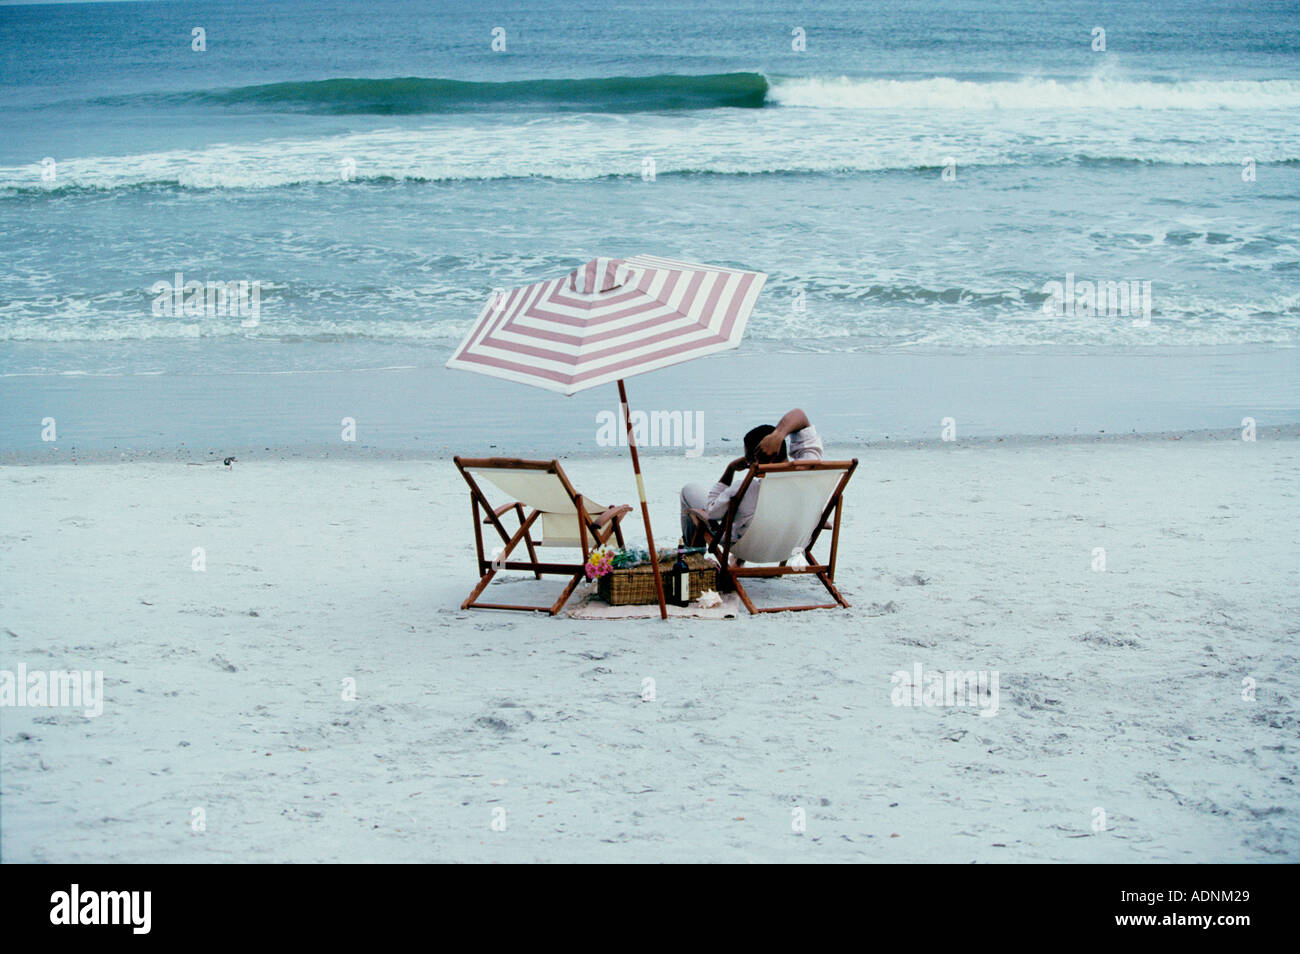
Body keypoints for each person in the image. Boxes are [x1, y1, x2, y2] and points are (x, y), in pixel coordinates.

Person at [680, 408, 823, 547]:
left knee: (689, 490)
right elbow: (801, 416)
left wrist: (729, 470)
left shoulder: (745, 489)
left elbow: (711, 512)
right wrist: (779, 435)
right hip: (795, 542)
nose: (748, 463)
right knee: (747, 517)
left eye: (748, 459)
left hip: (750, 547)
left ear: (757, 460)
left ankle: (693, 553)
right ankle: (736, 562)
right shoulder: (809, 470)